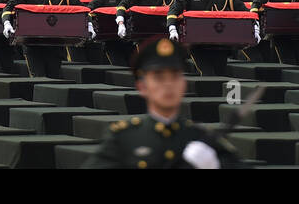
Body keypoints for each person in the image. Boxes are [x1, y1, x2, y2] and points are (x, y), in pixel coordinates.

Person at [84, 36, 239, 169]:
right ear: (142, 87)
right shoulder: (123, 139)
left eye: (174, 77)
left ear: (184, 84)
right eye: (158, 77)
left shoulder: (200, 139)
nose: (168, 85)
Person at [1, 0, 81, 77]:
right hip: (33, 43)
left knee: (55, 78)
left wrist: (89, 24)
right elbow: (9, 6)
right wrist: (6, 22)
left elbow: (79, 8)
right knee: (38, 78)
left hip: (56, 42)